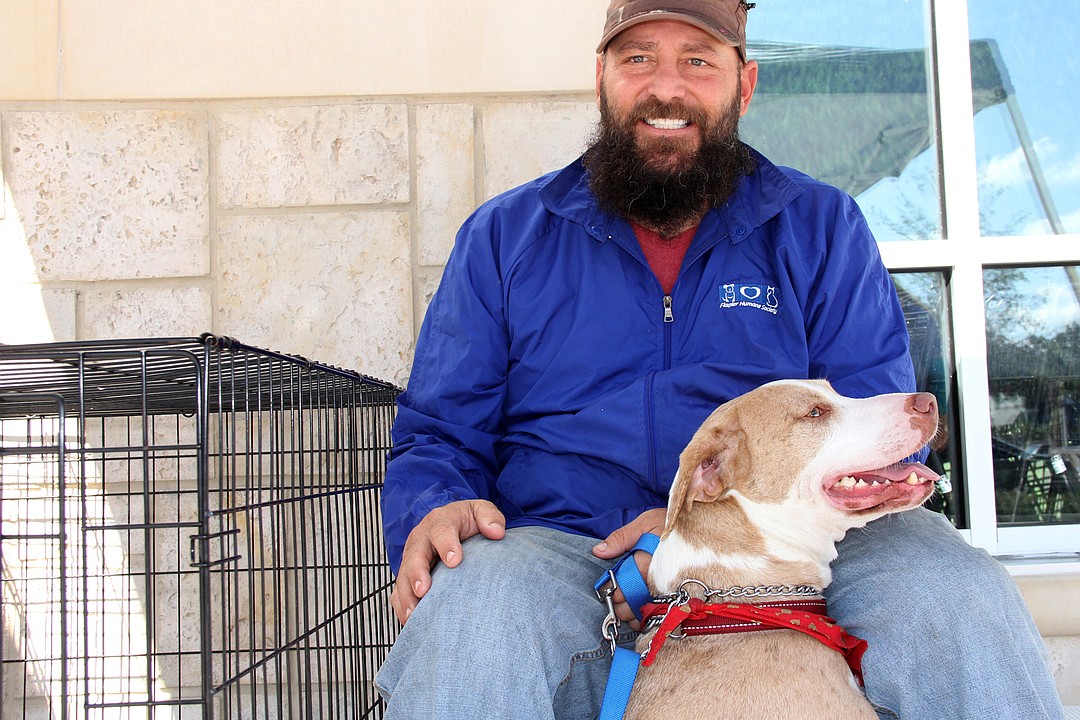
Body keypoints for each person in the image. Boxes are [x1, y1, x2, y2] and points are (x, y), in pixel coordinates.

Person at [375, 1, 1064, 718]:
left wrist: (691, 534)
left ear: (746, 83)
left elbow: (865, 431)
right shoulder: (504, 237)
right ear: (602, 77)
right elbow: (441, 433)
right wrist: (435, 506)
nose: (665, 86)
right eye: (637, 57)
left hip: (797, 543)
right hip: (566, 544)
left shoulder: (820, 226)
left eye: (698, 60)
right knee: (475, 612)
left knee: (954, 595)